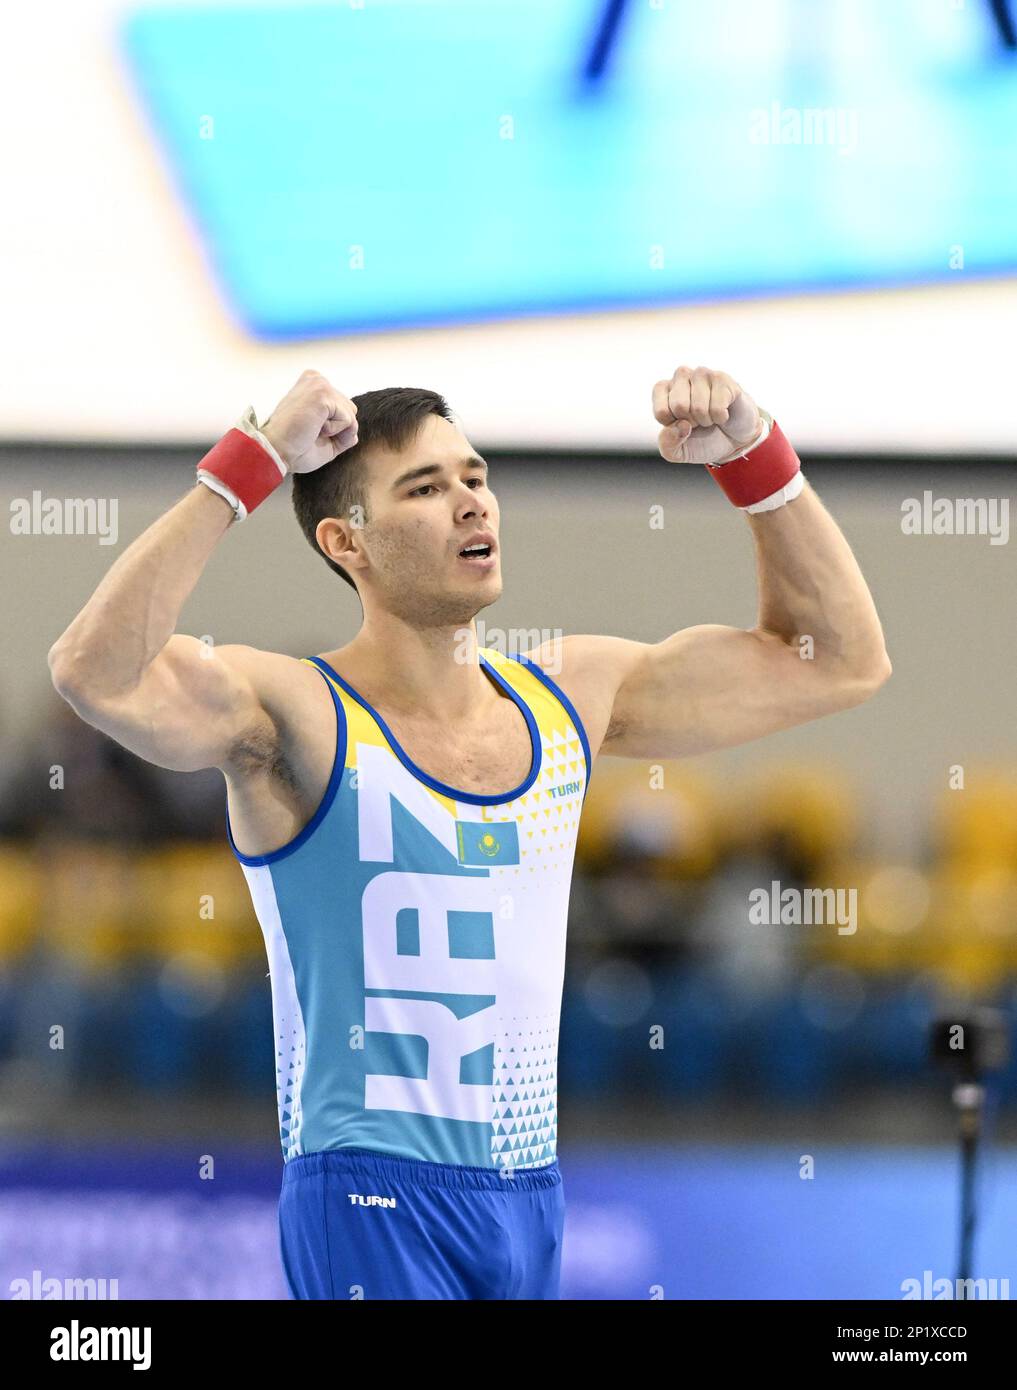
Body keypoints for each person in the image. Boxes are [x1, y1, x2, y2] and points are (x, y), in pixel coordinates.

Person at [48, 365, 891, 1299]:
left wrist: (752, 455)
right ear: (345, 541)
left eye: (475, 478)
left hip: (528, 1193)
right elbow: (97, 673)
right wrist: (250, 461)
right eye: (423, 488)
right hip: (369, 1191)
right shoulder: (294, 710)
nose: (468, 504)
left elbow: (837, 663)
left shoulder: (568, 694)